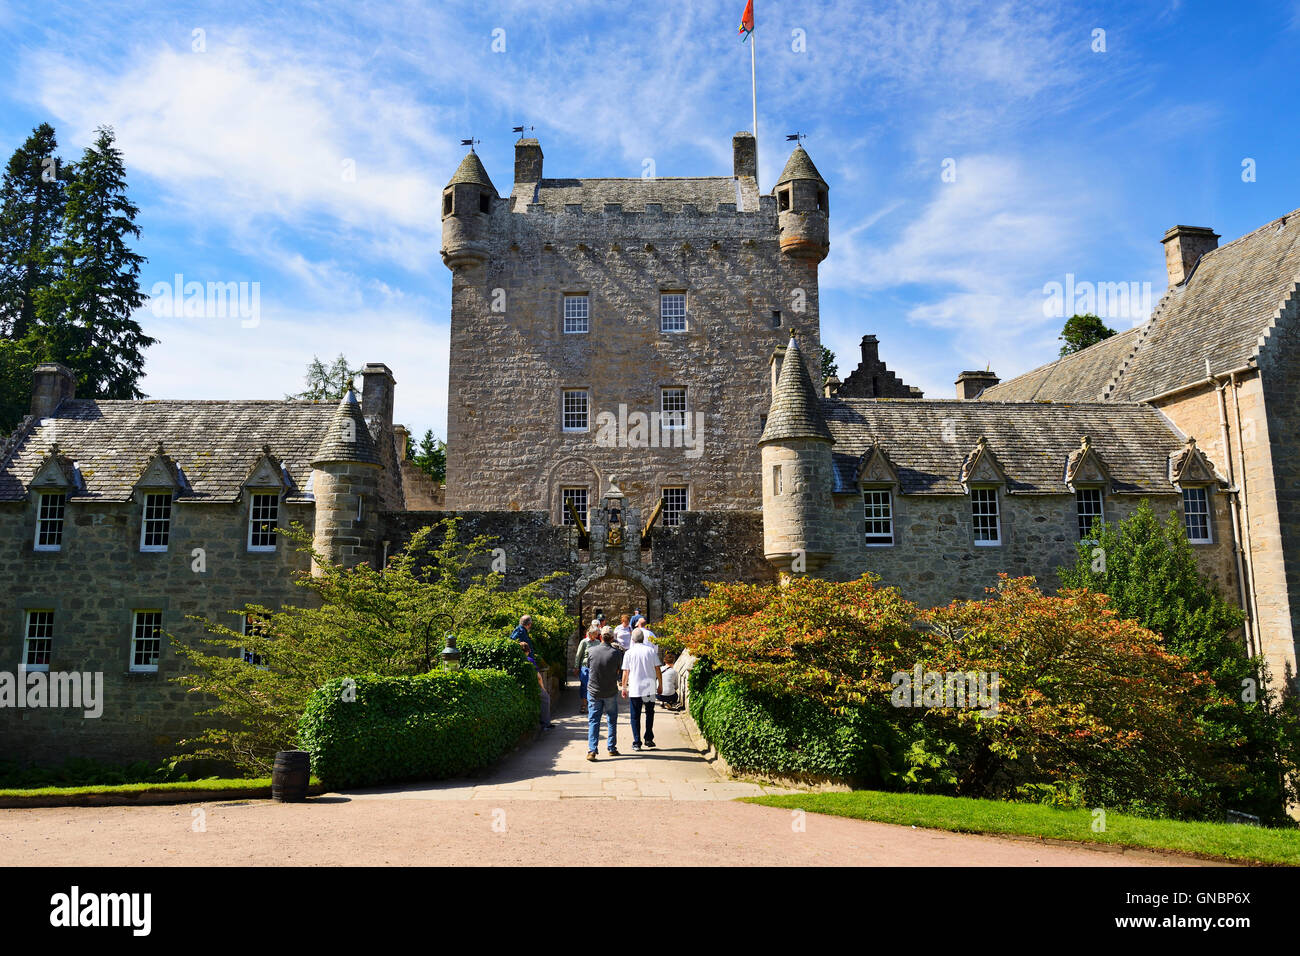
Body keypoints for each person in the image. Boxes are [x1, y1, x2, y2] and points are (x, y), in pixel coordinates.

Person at [585, 626, 624, 760]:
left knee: (594, 720)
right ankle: (611, 748)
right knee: (611, 719)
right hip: (610, 691)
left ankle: (592, 750)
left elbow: (590, 667)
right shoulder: (616, 653)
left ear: (600, 637)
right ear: (612, 638)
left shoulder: (591, 651)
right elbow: (619, 670)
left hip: (594, 690)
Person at [620, 628, 662, 751]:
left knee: (635, 716)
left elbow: (625, 672)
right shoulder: (651, 651)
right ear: (643, 639)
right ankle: (648, 738)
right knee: (649, 713)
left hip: (635, 687)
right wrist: (660, 685)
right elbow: (658, 669)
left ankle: (637, 742)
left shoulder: (629, 653)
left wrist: (623, 687)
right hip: (649, 685)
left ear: (632, 639)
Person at [518, 637, 553, 730]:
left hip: (521, 686)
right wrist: (543, 688)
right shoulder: (530, 660)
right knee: (546, 699)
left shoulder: (517, 661)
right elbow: (538, 677)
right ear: (528, 650)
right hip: (533, 686)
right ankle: (545, 723)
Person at [574, 624, 601, 701]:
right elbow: (578, 655)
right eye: (595, 634)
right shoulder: (584, 642)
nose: (596, 635)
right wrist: (576, 667)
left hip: (595, 667)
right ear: (590, 633)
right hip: (585, 667)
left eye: (597, 634)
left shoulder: (598, 642)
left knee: (595, 686)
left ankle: (592, 702)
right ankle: (584, 703)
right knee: (584, 685)